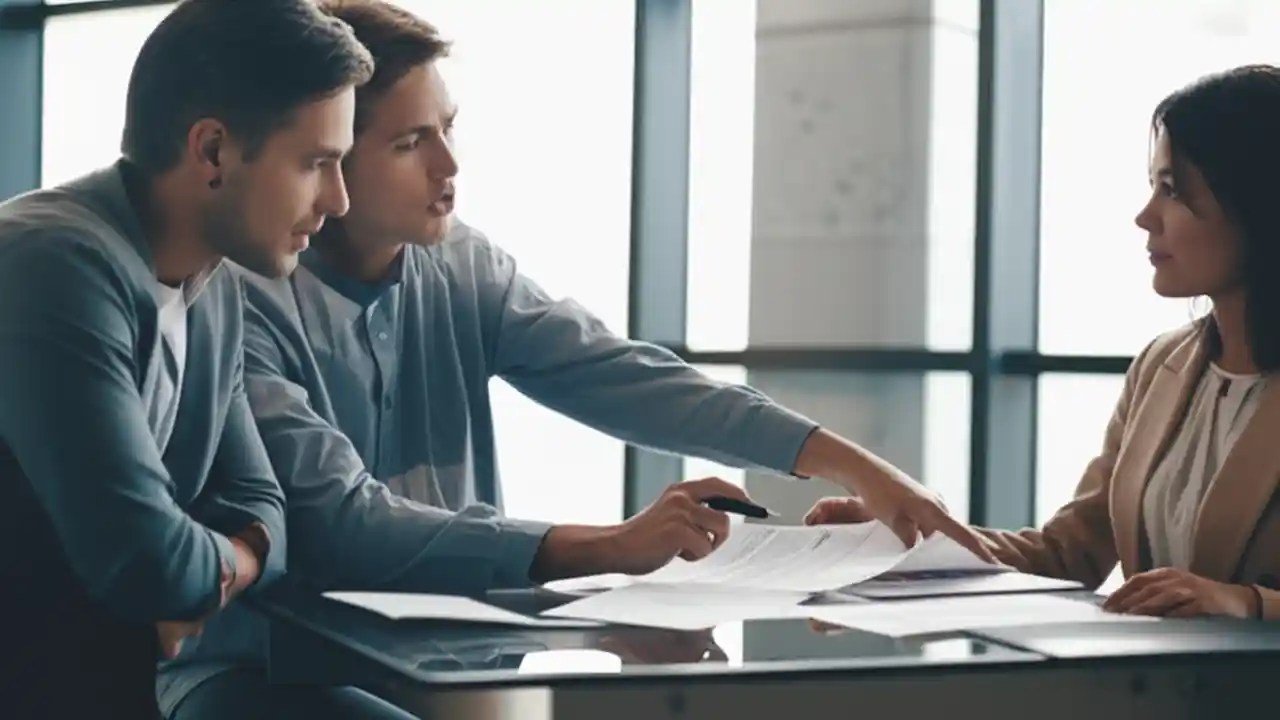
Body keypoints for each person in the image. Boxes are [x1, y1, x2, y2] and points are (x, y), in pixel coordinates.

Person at [158, 0, 992, 716]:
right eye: (411, 143)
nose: (450, 167)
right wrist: (609, 548)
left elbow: (623, 376)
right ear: (332, 151)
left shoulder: (461, 268)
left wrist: (850, 465)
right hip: (260, 674)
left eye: (449, 130)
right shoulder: (239, 301)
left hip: (448, 666)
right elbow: (342, 526)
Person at [0, 1, 373, 716]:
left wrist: (213, 568)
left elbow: (264, 509)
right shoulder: (51, 266)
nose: (338, 199)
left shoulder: (217, 289)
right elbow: (144, 562)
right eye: (316, 163)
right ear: (212, 152)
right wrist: (216, 567)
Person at [807, 64, 1280, 622]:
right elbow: (1063, 555)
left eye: (1171, 190)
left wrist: (1249, 604)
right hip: (1153, 694)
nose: (1145, 216)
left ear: (1255, 204)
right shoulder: (1164, 366)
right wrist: (905, 541)